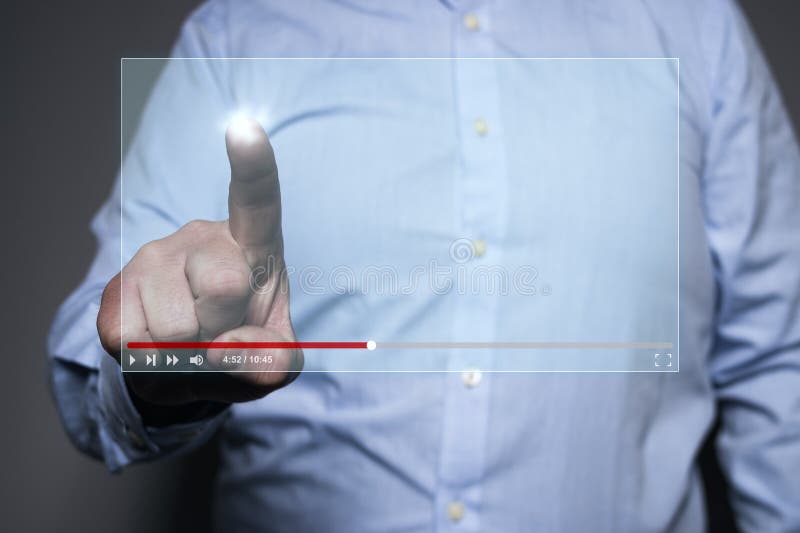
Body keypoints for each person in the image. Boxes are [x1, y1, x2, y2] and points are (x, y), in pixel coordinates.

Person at [48, 1, 800, 531]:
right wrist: (163, 373)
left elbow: (782, 360)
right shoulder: (240, 31)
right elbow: (96, 358)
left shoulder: (698, 29)